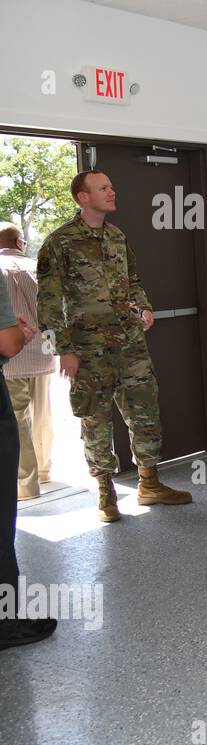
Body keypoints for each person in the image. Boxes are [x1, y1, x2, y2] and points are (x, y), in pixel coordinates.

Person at [36, 171, 193, 522]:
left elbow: (132, 281)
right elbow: (47, 301)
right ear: (83, 197)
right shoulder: (59, 242)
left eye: (111, 185)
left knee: (145, 414)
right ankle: (106, 493)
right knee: (96, 420)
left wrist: (144, 307)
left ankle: (150, 483)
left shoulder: (118, 237)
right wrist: (61, 349)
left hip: (130, 344)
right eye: (103, 188)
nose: (112, 191)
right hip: (88, 349)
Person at [0, 276, 55, 651]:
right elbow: (7, 340)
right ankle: (7, 622)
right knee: (39, 422)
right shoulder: (25, 267)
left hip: (17, 371)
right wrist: (20, 334)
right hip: (28, 358)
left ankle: (29, 483)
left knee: (22, 423)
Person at [0, 224, 55, 499]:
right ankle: (45, 471)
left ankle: (27, 484)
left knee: (19, 419)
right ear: (19, 242)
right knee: (42, 412)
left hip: (14, 357)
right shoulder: (37, 267)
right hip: (43, 351)